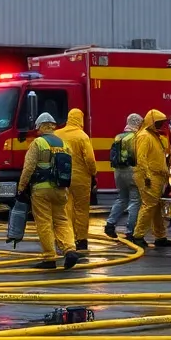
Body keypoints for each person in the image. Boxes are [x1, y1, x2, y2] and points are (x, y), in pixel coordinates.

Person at [17, 112, 80, 270]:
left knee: (44, 223)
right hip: (61, 189)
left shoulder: (38, 143)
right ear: (53, 126)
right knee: (62, 221)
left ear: (40, 127)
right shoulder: (64, 144)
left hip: (41, 190)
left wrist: (21, 188)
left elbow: (29, 168)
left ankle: (49, 258)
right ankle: (70, 249)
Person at [131, 109, 171, 248]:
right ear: (151, 122)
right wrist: (147, 177)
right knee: (149, 205)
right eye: (158, 122)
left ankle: (160, 237)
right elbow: (141, 158)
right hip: (149, 176)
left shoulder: (154, 136)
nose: (161, 125)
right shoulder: (145, 136)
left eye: (162, 122)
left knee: (156, 207)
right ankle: (138, 236)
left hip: (157, 176)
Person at [56, 108, 97, 251]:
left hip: (61, 177)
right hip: (81, 178)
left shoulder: (57, 134)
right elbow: (90, 160)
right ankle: (81, 240)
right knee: (81, 209)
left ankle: (66, 238)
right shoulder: (82, 136)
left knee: (65, 208)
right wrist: (94, 174)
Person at [105, 113, 143, 239]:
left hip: (118, 172)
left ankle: (110, 224)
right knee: (135, 201)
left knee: (121, 198)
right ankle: (130, 231)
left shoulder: (118, 137)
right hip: (132, 172)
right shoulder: (137, 137)